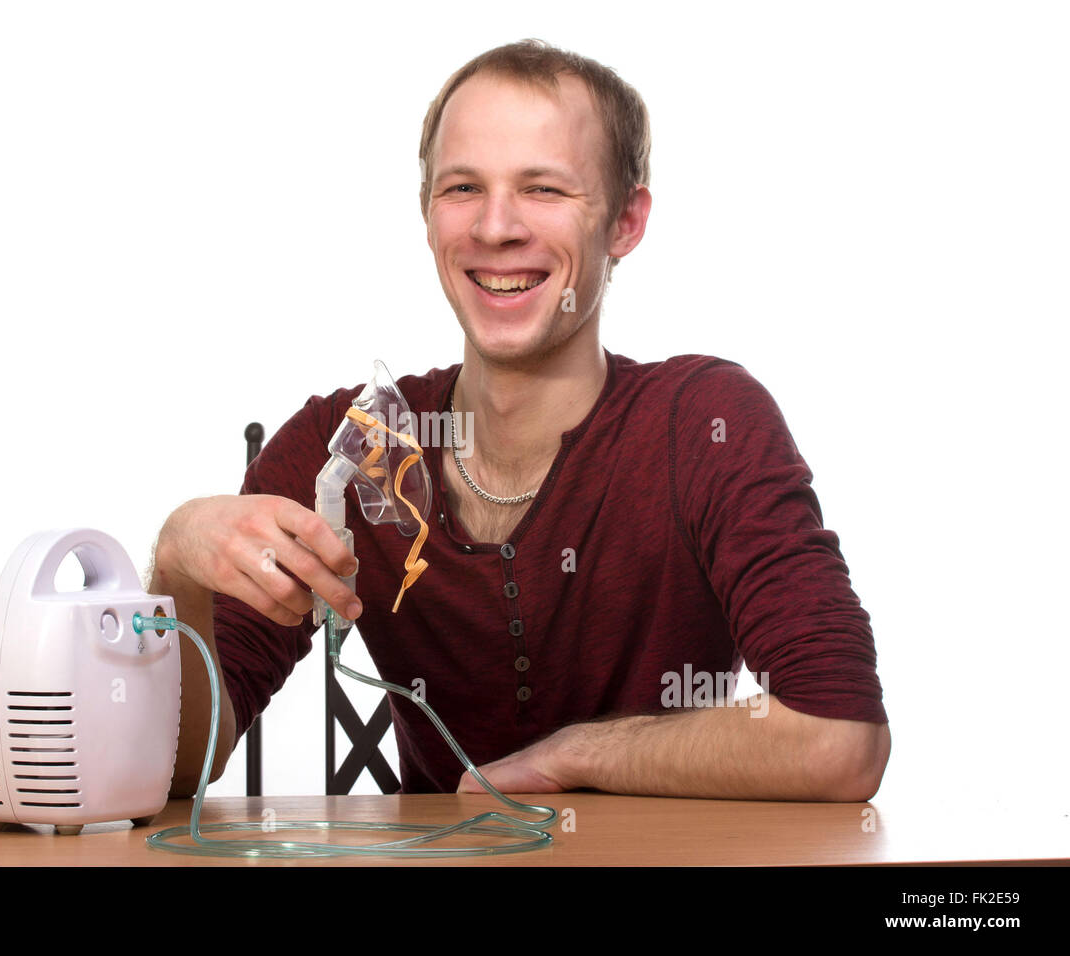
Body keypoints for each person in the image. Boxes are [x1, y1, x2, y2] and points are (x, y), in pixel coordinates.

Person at [148, 39, 891, 801]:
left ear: (626, 223)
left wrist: (574, 757)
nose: (495, 228)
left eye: (543, 190)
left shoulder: (703, 424)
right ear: (429, 215)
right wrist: (177, 570)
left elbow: (837, 740)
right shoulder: (352, 445)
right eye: (463, 187)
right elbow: (178, 767)